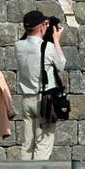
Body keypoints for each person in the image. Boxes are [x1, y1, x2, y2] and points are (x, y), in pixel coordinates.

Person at [14, 10, 67, 160]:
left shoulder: (18, 46)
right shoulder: (48, 47)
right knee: (43, 144)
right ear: (41, 27)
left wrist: (43, 27)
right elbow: (61, 65)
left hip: (26, 100)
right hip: (44, 101)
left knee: (27, 144)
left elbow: (29, 38)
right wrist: (56, 40)